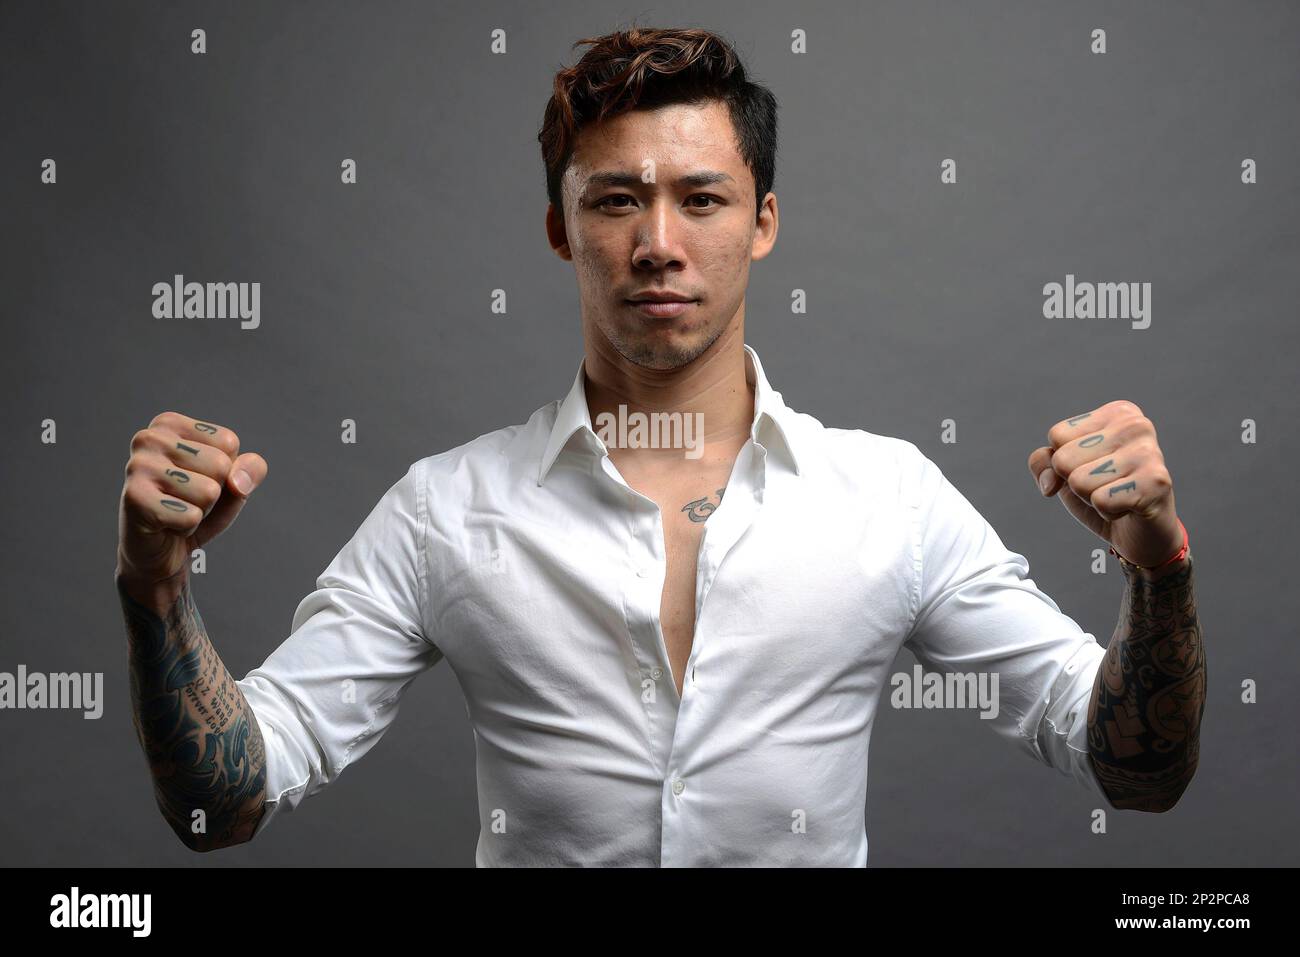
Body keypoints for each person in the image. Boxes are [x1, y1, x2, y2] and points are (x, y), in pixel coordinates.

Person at [115, 26, 1203, 865]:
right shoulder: (445, 510)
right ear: (559, 228)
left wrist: (1156, 569)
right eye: (616, 201)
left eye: (702, 199)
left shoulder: (889, 500)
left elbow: (1133, 770)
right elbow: (226, 803)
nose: (657, 245)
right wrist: (157, 591)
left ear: (763, 222)